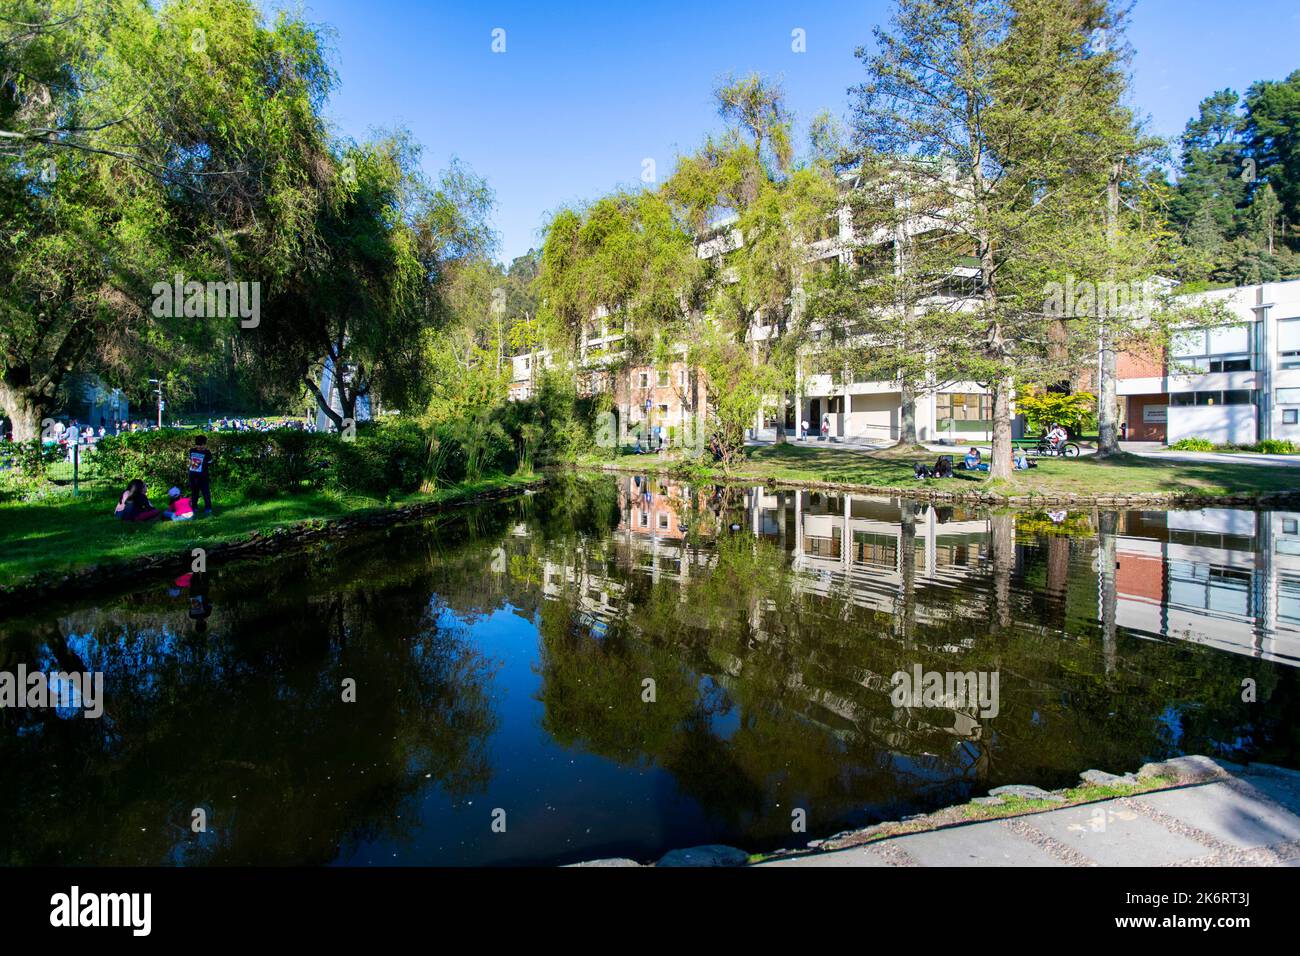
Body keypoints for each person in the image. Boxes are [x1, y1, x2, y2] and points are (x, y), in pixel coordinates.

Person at [187, 434, 214, 515]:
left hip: (203, 476)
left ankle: (208, 508)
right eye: (199, 445)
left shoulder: (207, 452)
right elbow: (191, 460)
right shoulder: (192, 450)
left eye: (202, 445)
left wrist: (203, 463)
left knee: (206, 492)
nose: (201, 447)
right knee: (194, 492)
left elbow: (210, 462)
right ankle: (194, 507)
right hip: (193, 475)